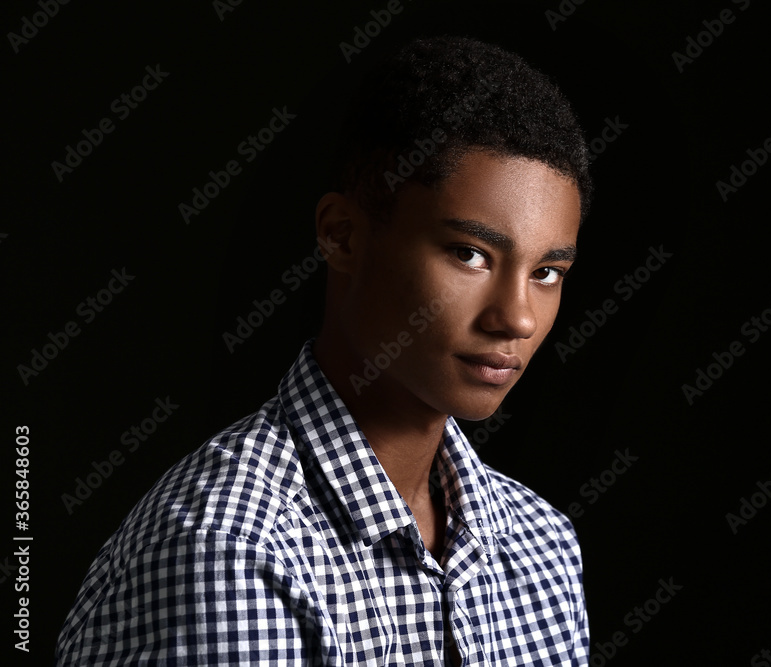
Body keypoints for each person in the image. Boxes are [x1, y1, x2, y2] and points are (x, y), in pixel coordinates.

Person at [56, 35, 592, 665]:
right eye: (469, 254)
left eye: (547, 272)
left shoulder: (540, 546)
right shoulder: (230, 550)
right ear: (342, 235)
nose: (518, 317)